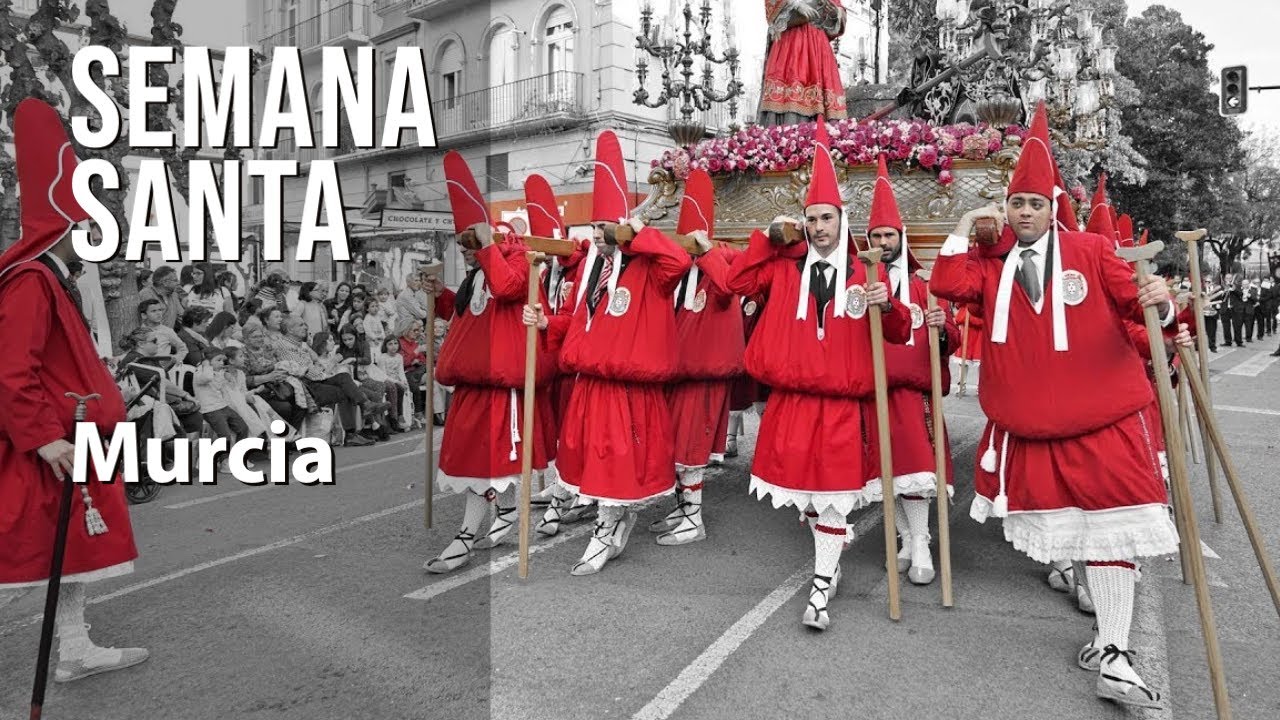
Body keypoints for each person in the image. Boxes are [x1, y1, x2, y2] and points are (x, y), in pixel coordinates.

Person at [929, 102, 1179, 710]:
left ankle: (1116, 652)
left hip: (1105, 422)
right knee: (1079, 534)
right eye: (1016, 203)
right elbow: (944, 284)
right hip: (1033, 431)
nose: (1024, 213)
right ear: (1006, 209)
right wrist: (966, 220)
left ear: (1053, 207)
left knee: (1114, 532)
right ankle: (1111, 643)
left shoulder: (1093, 251)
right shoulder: (991, 267)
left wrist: (1163, 303)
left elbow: (1138, 309)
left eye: (1035, 203)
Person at [725, 118, 909, 630]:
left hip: (840, 407)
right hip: (789, 403)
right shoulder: (784, 269)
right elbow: (734, 279)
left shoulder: (865, 272)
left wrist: (887, 304)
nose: (819, 227)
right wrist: (770, 238)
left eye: (826, 218)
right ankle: (831, 550)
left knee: (831, 503)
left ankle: (822, 583)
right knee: (804, 496)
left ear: (841, 221)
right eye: (811, 220)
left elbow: (897, 333)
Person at [0, 98, 147, 682]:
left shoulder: (54, 279)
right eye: (86, 223)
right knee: (21, 561)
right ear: (67, 226)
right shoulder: (32, 282)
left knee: (74, 559)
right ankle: (72, 649)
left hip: (76, 440)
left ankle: (74, 649)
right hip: (52, 448)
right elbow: (11, 370)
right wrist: (42, 439)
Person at [525, 130, 691, 575]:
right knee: (592, 464)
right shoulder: (590, 270)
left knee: (618, 466)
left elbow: (681, 262)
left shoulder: (651, 268)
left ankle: (607, 529)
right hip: (589, 385)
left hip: (629, 387)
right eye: (595, 228)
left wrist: (640, 233)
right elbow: (582, 320)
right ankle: (610, 522)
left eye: (606, 227)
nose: (599, 236)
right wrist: (548, 324)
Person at [422, 151, 560, 573]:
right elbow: (467, 317)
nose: (466, 251)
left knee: (494, 467)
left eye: (472, 242)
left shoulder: (515, 263)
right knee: (472, 465)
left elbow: (507, 288)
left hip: (504, 389)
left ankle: (467, 535)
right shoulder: (476, 274)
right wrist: (437, 294)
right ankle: (497, 517)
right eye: (463, 243)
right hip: (471, 387)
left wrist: (490, 248)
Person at [864, 155, 961, 586]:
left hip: (915, 391)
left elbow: (952, 336)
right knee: (888, 470)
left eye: (889, 235)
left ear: (901, 238)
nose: (883, 241)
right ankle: (906, 537)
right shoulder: (860, 282)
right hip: (876, 388)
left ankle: (920, 542)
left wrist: (943, 331)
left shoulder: (927, 283)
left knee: (918, 469)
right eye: (876, 235)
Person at [648, 169, 744, 546]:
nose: (686, 248)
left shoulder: (720, 263)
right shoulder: (677, 272)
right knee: (674, 447)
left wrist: (706, 252)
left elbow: (727, 287)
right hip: (675, 373)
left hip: (704, 375)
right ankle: (681, 508)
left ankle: (694, 518)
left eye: (693, 241)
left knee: (691, 448)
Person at [758, 0, 848, 125]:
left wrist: (834, 12)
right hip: (791, 44)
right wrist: (794, 5)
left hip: (818, 46)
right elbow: (772, 6)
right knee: (790, 96)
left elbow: (837, 9)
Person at [138, 265, 186, 330]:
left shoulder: (173, 294)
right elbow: (148, 323)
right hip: (151, 337)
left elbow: (181, 316)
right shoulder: (146, 294)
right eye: (175, 280)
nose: (178, 283)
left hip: (168, 336)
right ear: (165, 283)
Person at [1202, 277, 1223, 352]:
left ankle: (1212, 346)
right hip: (1202, 313)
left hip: (1212, 313)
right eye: (1206, 281)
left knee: (1212, 330)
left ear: (1212, 282)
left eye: (1209, 281)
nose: (1207, 283)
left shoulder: (1217, 291)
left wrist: (1217, 307)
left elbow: (1221, 300)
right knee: (1200, 330)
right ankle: (1198, 346)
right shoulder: (1201, 290)